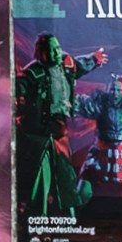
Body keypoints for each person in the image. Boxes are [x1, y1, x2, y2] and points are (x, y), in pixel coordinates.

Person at [15, 34, 80, 223]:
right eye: (51, 50)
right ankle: (36, 224)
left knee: (66, 180)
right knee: (40, 183)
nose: (56, 53)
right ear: (41, 53)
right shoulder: (33, 73)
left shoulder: (66, 67)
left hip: (59, 133)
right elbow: (19, 87)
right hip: (39, 136)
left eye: (58, 48)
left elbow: (81, 66)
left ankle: (68, 224)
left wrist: (95, 59)